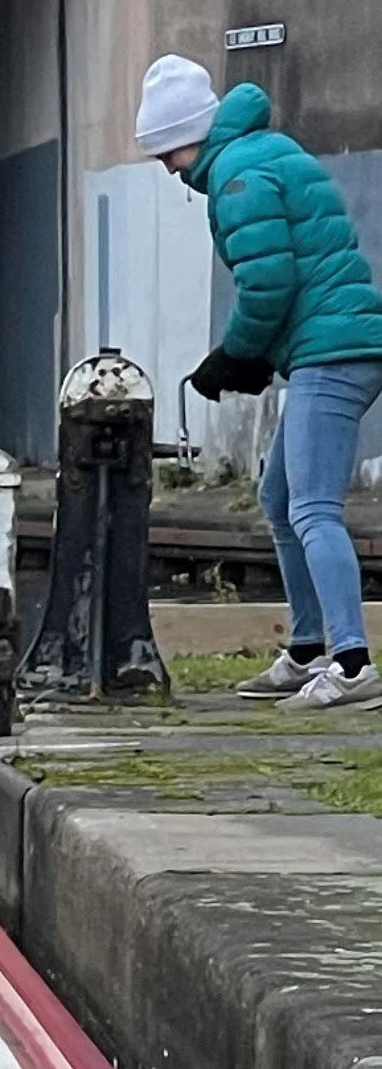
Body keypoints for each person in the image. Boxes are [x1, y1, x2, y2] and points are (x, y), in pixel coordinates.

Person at [137, 53, 382, 712]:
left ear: (193, 133)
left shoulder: (239, 175)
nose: (167, 167)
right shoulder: (262, 150)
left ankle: (353, 663)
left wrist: (234, 355)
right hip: (335, 341)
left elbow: (269, 280)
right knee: (277, 499)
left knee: (311, 508)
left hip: (333, 349)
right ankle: (306, 648)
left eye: (167, 150)